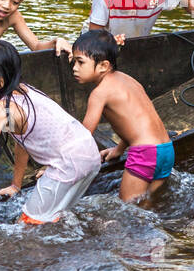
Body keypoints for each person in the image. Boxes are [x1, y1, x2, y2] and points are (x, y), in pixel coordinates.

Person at [0, 40, 100, 224]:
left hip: (69, 164)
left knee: (27, 224)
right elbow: (22, 141)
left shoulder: (0, 111)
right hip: (91, 155)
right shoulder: (26, 91)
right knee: (59, 215)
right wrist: (16, 185)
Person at [70, 30, 174, 202]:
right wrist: (118, 150)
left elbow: (83, 136)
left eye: (80, 62)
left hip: (145, 154)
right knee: (147, 205)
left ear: (103, 65)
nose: (74, 68)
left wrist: (57, 163)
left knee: (128, 209)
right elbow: (136, 123)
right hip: (165, 150)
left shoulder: (99, 93)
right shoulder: (128, 80)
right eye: (74, 62)